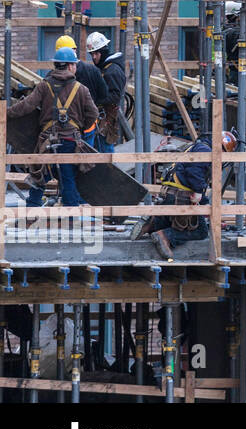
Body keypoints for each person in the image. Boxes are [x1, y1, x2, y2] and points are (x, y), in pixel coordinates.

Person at [10, 47, 100, 207]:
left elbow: (26, 106)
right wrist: (80, 128)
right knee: (68, 179)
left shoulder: (44, 86)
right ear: (71, 66)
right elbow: (93, 114)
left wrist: (6, 113)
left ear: (56, 65)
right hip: (70, 141)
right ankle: (71, 219)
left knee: (40, 176)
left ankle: (31, 212)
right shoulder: (81, 89)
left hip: (47, 142)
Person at [137, 131, 237, 259]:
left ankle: (154, 224)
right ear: (222, 147)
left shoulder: (197, 147)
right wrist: (198, 192)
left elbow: (194, 176)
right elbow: (194, 172)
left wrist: (204, 202)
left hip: (170, 194)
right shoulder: (205, 151)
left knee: (175, 223)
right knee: (200, 231)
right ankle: (164, 236)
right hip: (180, 197)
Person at [85, 31, 125, 149]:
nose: (94, 57)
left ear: (103, 51)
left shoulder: (112, 71)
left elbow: (115, 96)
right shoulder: (104, 69)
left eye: (96, 53)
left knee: (105, 150)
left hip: (107, 118)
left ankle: (109, 168)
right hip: (100, 117)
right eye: (92, 54)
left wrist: (96, 99)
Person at [53, 35, 109, 108]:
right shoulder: (93, 70)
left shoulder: (52, 76)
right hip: (90, 115)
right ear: (75, 50)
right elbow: (104, 95)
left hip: (64, 117)